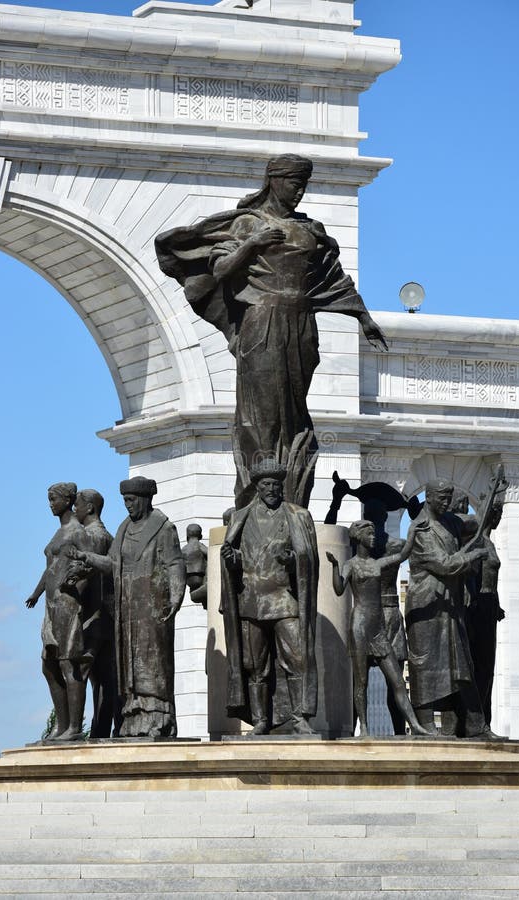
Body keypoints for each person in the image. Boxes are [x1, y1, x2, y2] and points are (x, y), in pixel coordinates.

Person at [155, 154, 387, 508]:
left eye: (304, 185)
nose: (299, 192)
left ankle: (292, 498)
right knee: (259, 411)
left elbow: (333, 277)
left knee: (294, 412)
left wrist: (363, 317)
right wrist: (253, 244)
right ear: (274, 181)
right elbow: (220, 270)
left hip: (301, 325)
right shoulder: (248, 224)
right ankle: (258, 497)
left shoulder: (310, 229)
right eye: (294, 184)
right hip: (261, 322)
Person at [70, 477, 186, 738]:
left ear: (145, 499)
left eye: (132, 500)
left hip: (153, 605)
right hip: (128, 607)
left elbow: (175, 564)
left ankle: (158, 717)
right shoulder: (123, 529)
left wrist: (176, 597)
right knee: (129, 661)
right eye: (125, 501)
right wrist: (88, 557)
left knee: (153, 660)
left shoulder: (163, 527)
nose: (128, 505)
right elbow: (112, 563)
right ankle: (133, 715)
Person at [221, 458, 319, 734]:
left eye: (276, 484)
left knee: (297, 659)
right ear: (257, 487)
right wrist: (231, 558)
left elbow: (310, 557)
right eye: (266, 484)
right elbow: (238, 560)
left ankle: (299, 718)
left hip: (284, 599)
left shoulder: (297, 515)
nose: (272, 489)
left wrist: (294, 559)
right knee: (254, 665)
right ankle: (261, 719)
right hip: (251, 601)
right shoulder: (241, 517)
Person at [404, 480, 499, 739]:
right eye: (442, 499)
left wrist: (490, 498)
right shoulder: (420, 529)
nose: (447, 503)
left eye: (449, 498)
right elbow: (444, 564)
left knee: (460, 666)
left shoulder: (449, 522)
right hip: (427, 607)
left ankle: (474, 726)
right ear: (429, 497)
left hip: (450, 607)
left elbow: (475, 524)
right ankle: (425, 726)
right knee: (426, 665)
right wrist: (472, 556)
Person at [327, 521, 430, 738]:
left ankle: (415, 725)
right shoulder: (351, 565)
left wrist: (412, 532)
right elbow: (338, 589)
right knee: (361, 682)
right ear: (359, 537)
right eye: (370, 534)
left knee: (398, 681)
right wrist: (335, 566)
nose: (374, 537)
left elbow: (402, 555)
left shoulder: (378, 563)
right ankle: (364, 728)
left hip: (378, 629)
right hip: (360, 627)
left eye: (373, 533)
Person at [26, 482, 91, 741]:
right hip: (51, 605)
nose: (50, 504)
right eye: (49, 499)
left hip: (68, 603)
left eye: (53, 499)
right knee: (49, 665)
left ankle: (74, 728)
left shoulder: (78, 531)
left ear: (67, 500)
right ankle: (60, 725)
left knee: (68, 663)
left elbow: (90, 564)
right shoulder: (59, 531)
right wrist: (36, 592)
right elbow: (51, 568)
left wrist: (77, 586)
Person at [73, 488, 121, 738]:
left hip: (92, 618)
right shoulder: (108, 536)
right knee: (104, 680)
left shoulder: (92, 537)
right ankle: (100, 732)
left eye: (78, 505)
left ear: (90, 507)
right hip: (106, 620)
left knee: (78, 673)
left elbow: (85, 577)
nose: (74, 510)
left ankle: (72, 729)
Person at [464, 499, 506, 728]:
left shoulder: (489, 542)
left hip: (490, 606)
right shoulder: (476, 542)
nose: (499, 519)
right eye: (498, 514)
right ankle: (475, 721)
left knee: (488, 666)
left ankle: (485, 721)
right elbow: (470, 575)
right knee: (479, 664)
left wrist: (497, 605)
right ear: (491, 514)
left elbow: (492, 579)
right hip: (478, 605)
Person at [181, 523, 208, 609]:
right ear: (201, 536)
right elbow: (210, 554)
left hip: (189, 579)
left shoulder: (183, 549)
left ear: (187, 537)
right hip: (200, 576)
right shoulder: (199, 545)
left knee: (195, 594)